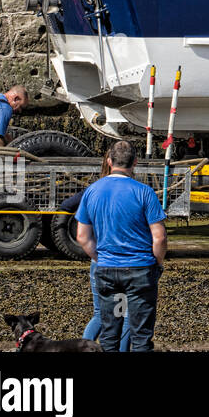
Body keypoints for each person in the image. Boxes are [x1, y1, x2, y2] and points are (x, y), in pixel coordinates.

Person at [75, 140, 167, 352]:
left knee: (110, 332)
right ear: (135, 162)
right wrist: (157, 263)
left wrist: (100, 258)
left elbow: (82, 236)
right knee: (141, 335)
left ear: (109, 161)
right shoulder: (144, 192)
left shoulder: (92, 191)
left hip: (107, 271)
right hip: (140, 271)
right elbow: (159, 237)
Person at [64, 159, 132, 351]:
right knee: (125, 313)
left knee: (100, 314)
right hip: (123, 260)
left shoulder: (94, 190)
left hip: (98, 260)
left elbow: (66, 205)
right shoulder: (132, 191)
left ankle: (83, 348)